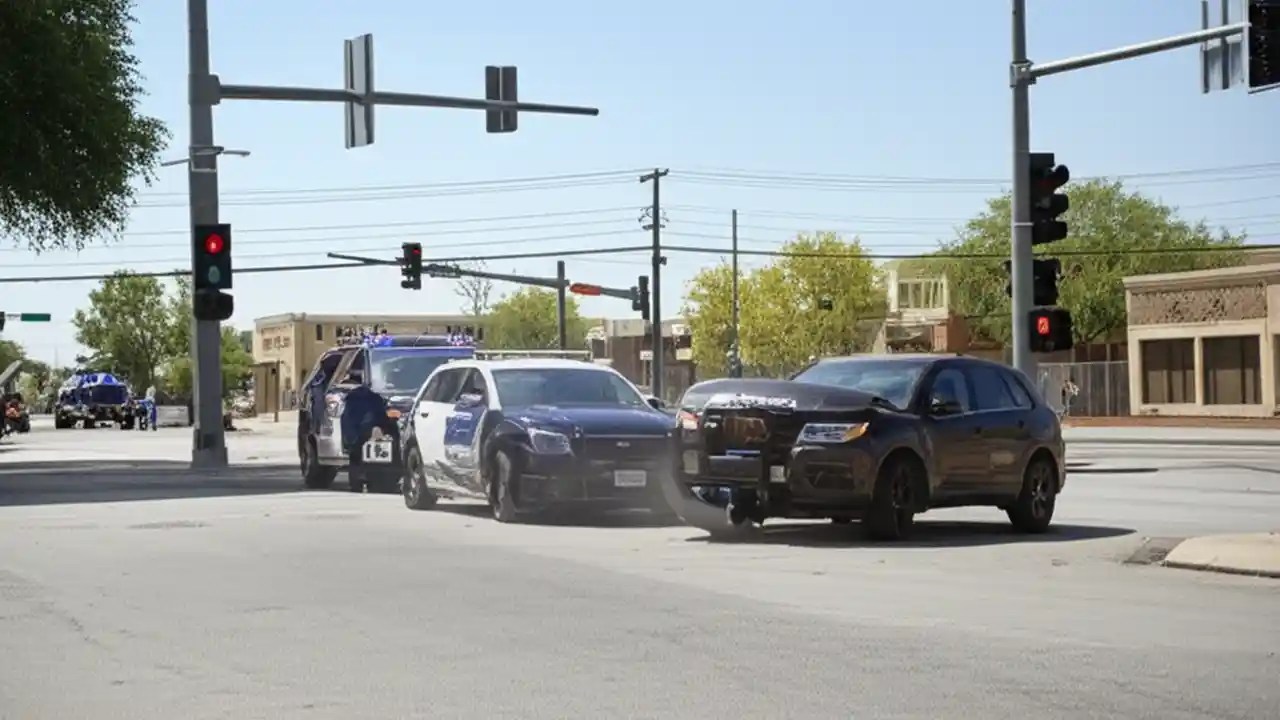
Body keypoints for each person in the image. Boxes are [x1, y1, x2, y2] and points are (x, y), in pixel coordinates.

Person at [340, 382, 397, 493]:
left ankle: (357, 482)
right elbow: (382, 416)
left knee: (355, 457)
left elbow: (346, 421)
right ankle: (370, 480)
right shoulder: (375, 400)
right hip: (368, 430)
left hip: (355, 433)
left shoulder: (351, 401)